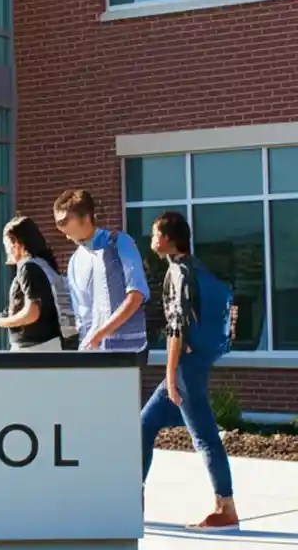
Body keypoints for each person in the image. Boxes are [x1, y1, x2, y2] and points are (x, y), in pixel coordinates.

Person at [141, 211, 239, 531]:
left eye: (155, 234)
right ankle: (133, 495)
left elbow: (177, 329)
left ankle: (225, 506)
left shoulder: (179, 272)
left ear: (167, 238)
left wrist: (170, 376)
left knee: (205, 436)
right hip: (196, 361)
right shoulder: (195, 267)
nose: (152, 239)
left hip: (185, 367)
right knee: (145, 423)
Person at [53, 189, 150, 359]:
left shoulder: (119, 243)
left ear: (86, 217)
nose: (64, 231)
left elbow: (136, 295)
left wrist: (100, 334)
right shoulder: (75, 260)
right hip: (91, 351)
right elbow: (80, 315)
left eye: (65, 221)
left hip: (126, 350)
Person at [0, 215, 65, 351]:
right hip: (48, 345)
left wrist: (3, 322)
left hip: (33, 349)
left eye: (7, 244)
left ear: (17, 243)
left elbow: (32, 313)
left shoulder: (28, 267)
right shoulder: (45, 265)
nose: (7, 250)